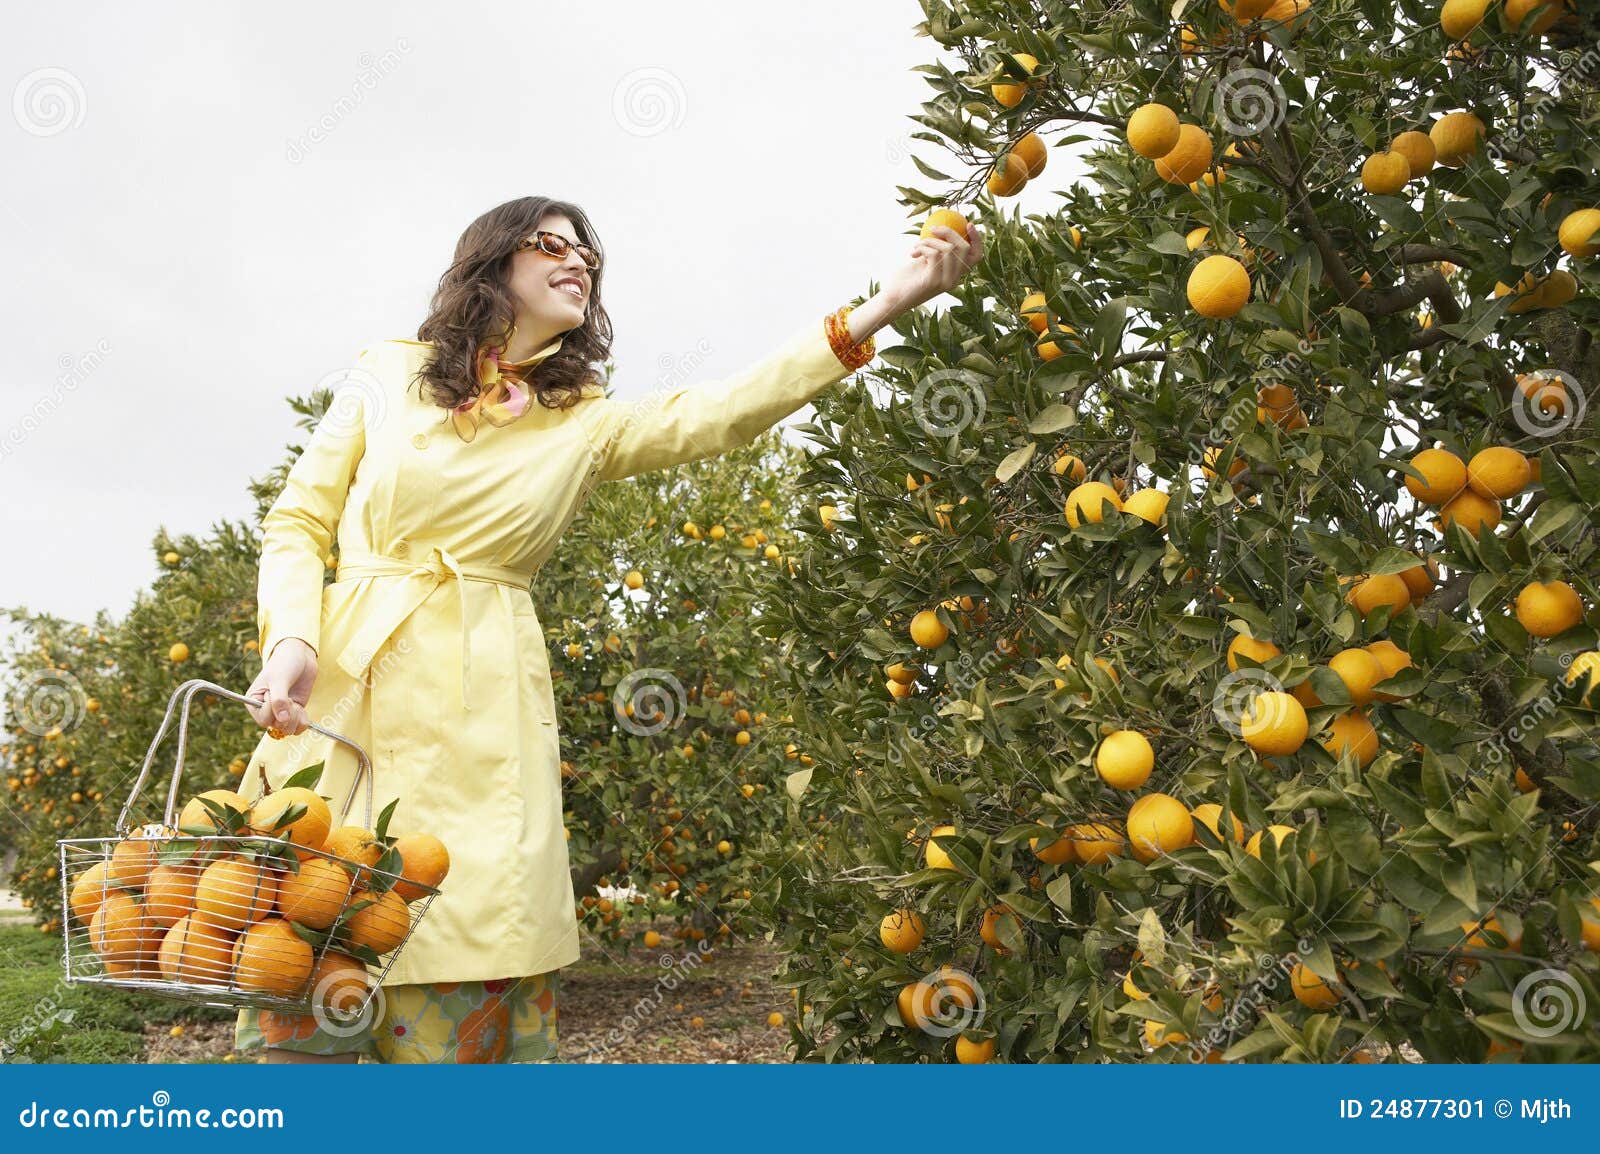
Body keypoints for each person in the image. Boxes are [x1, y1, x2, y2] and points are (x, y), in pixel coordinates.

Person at [234, 195, 983, 1063]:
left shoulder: (584, 420)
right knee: (301, 935)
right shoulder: (386, 372)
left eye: (587, 254)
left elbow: (723, 411)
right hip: (341, 687)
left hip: (479, 706)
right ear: (491, 261)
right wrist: (292, 641)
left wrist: (884, 304)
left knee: (463, 952)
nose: (578, 261)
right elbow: (298, 520)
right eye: (551, 244)